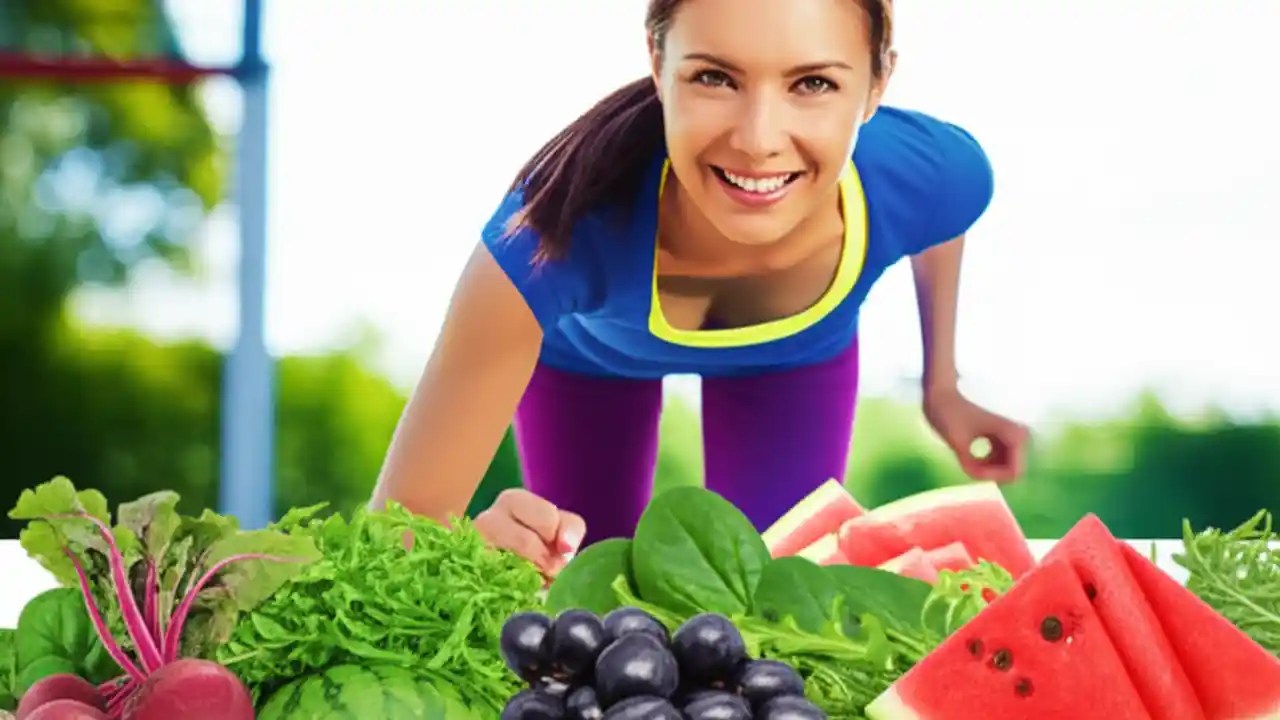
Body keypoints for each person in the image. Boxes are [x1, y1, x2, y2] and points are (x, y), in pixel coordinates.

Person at [372, 0, 1029, 579]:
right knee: (582, 597)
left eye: (813, 83)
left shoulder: (939, 173)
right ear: (658, 63)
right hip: (586, 365)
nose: (758, 141)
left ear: (877, 83)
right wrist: (472, 551)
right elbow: (395, 540)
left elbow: (941, 217)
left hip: (794, 362)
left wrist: (941, 384)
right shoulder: (545, 239)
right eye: (715, 77)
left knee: (776, 613)